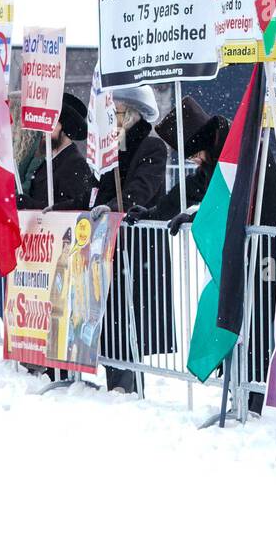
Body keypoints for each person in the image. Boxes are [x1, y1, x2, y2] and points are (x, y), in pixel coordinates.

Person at [95, 85, 170, 394]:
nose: (115, 118)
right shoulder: (113, 148)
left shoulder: (152, 146)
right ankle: (115, 378)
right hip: (111, 246)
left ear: (135, 113)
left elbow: (141, 189)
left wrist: (113, 208)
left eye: (120, 112)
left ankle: (128, 384)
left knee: (131, 319)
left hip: (139, 248)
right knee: (109, 315)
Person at [124, 95, 229, 229]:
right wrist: (153, 214)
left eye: (197, 154)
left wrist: (195, 219)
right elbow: (188, 191)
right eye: (191, 159)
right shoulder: (211, 161)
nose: (197, 162)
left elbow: (227, 204)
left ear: (207, 144)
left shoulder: (232, 157)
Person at [16, 92, 94, 212]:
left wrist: (30, 205)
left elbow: (74, 208)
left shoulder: (75, 164)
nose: (43, 129)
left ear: (65, 128)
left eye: (50, 123)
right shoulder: (46, 161)